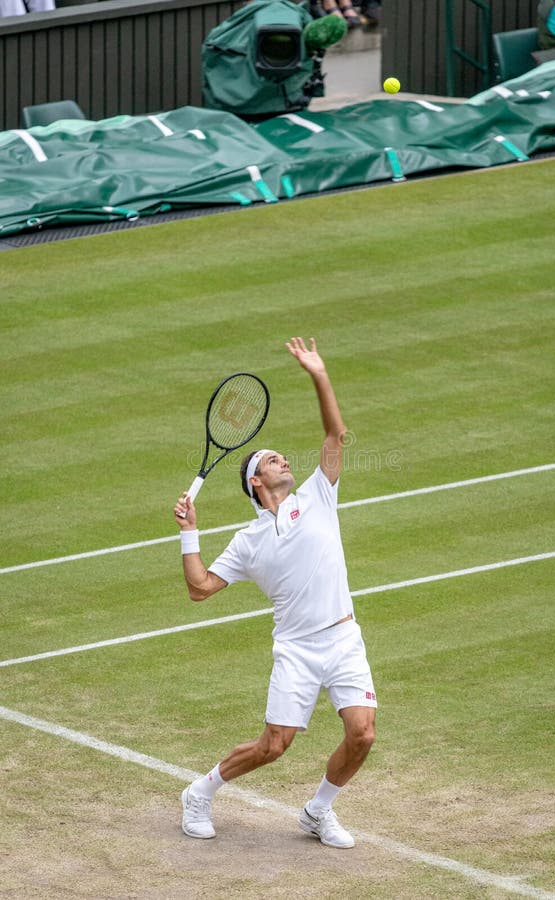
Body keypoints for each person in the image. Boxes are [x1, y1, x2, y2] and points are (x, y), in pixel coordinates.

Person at [173, 336, 377, 850]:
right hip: (297, 649)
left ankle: (317, 811)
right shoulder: (248, 541)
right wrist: (189, 532)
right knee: (273, 746)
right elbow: (200, 589)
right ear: (256, 483)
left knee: (363, 734)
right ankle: (199, 792)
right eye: (271, 460)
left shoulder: (318, 494)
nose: (283, 460)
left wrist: (319, 373)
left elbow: (335, 433)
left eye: (282, 457)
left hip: (344, 637)